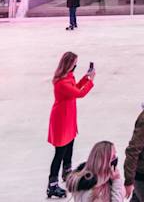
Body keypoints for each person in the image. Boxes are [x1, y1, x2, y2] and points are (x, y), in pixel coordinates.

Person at [47, 52, 96, 199]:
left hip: (68, 118)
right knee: (60, 153)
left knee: (69, 146)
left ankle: (67, 173)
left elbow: (75, 88)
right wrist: (91, 81)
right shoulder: (62, 82)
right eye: (74, 63)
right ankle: (52, 185)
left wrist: (86, 77)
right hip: (61, 120)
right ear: (69, 64)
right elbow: (79, 93)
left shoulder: (68, 78)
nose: (76, 66)